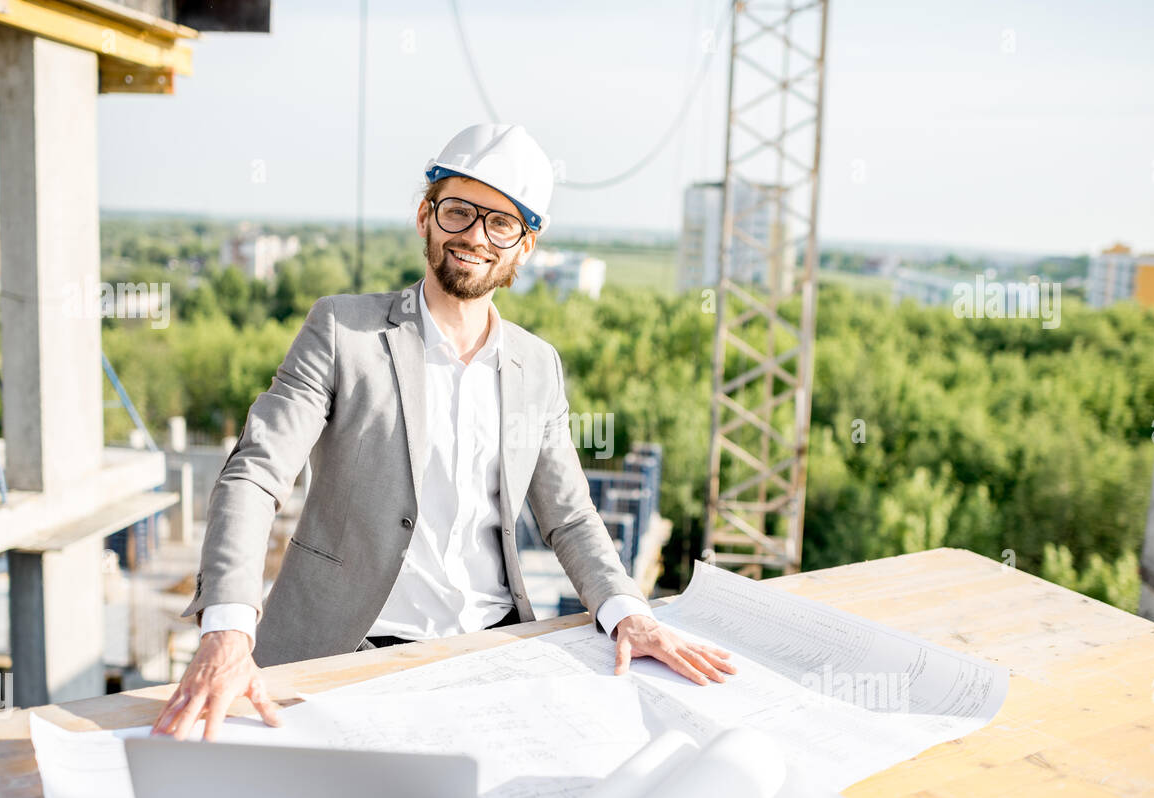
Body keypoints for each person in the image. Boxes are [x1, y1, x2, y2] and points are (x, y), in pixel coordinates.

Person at [152, 123, 736, 741]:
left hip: (492, 658)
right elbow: (256, 473)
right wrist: (227, 627)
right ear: (425, 217)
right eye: (458, 212)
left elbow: (569, 517)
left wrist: (628, 615)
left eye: (501, 224)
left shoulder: (538, 367)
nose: (475, 237)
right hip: (346, 653)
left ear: (525, 247)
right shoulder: (342, 332)